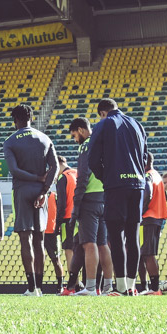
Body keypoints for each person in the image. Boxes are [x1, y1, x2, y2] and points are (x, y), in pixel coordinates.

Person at [87, 97, 150, 295]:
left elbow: (92, 158)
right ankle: (132, 286)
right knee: (133, 235)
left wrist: (105, 177)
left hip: (116, 184)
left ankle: (121, 286)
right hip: (138, 184)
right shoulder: (137, 124)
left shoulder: (104, 124)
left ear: (102, 112)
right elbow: (146, 157)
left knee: (116, 235)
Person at [3, 104, 59, 297]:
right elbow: (55, 166)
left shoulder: (10, 141)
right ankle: (40, 288)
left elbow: (14, 170)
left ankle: (31, 287)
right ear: (32, 118)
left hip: (22, 189)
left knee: (25, 238)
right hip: (40, 192)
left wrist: (35, 179)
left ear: (15, 121)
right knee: (39, 239)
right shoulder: (44, 138)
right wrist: (44, 189)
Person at [66, 115, 112, 296]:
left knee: (89, 243)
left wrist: (76, 205)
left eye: (74, 135)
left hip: (90, 199)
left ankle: (91, 287)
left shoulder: (86, 146)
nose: (75, 139)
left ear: (82, 130)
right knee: (103, 244)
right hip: (105, 198)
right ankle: (108, 286)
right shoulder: (104, 144)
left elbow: (83, 176)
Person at [137, 153, 167, 295]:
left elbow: (147, 193)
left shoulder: (148, 176)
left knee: (147, 254)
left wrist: (139, 212)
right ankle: (147, 287)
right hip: (156, 218)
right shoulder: (157, 175)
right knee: (145, 254)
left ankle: (153, 288)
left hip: (147, 218)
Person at [43, 155, 75, 293]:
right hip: (82, 217)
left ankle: (70, 286)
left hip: (63, 222)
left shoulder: (63, 179)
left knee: (66, 254)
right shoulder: (77, 173)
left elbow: (62, 204)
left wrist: (57, 225)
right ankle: (87, 285)